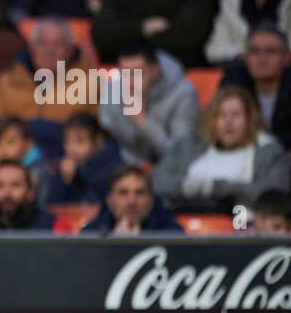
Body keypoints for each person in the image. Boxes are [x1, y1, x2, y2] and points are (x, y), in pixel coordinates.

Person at [152, 85, 291, 211]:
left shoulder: (268, 150)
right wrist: (190, 188)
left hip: (244, 227)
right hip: (186, 227)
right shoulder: (190, 146)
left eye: (236, 115)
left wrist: (221, 187)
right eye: (221, 115)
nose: (228, 122)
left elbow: (276, 194)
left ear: (250, 119)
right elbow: (158, 183)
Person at [99, 43, 199, 167]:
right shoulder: (112, 91)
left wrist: (142, 121)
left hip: (169, 167)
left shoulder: (184, 95)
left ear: (155, 70)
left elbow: (180, 155)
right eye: (125, 73)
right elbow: (107, 140)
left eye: (138, 73)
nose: (130, 81)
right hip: (125, 165)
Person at [0, 17, 98, 124]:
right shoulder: (6, 81)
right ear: (31, 48)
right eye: (43, 44)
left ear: (70, 49)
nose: (49, 51)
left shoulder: (91, 85)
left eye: (58, 44)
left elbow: (100, 135)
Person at [219, 23, 291, 148]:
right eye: (254, 51)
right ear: (245, 56)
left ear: (286, 57)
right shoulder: (232, 82)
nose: (262, 59)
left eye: (270, 51)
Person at [80, 165, 183, 234]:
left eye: (139, 193)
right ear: (109, 201)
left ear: (151, 200)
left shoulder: (171, 234)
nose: (131, 201)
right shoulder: (91, 234)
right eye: (123, 193)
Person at [46, 113, 121, 206]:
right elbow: (52, 207)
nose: (71, 148)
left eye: (80, 141)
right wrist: (65, 180)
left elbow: (94, 204)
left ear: (98, 140)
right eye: (67, 141)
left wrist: (76, 178)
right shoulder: (64, 165)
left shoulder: (112, 167)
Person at [0, 160, 53, 232]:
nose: (6, 193)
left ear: (30, 192)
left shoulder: (52, 228)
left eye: (15, 185)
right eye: (0, 186)